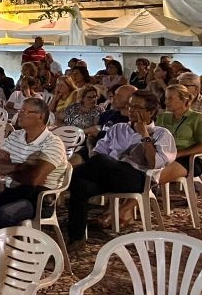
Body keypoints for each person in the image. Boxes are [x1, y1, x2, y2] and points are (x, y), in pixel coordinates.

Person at [66, 90, 176, 249]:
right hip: (109, 174)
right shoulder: (118, 128)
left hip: (137, 178)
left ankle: (60, 179)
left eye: (137, 107)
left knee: (101, 162)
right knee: (81, 185)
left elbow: (153, 163)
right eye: (130, 106)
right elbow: (98, 153)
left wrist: (144, 134)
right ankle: (76, 237)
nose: (131, 110)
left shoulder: (161, 134)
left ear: (151, 112)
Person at [0, 97, 67, 229]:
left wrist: (8, 167)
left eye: (24, 111)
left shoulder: (53, 143)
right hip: (11, 191)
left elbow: (34, 179)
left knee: (3, 214)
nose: (19, 114)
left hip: (39, 199)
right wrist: (22, 167)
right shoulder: (15, 135)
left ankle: (13, 242)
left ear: (40, 116)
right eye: (20, 111)